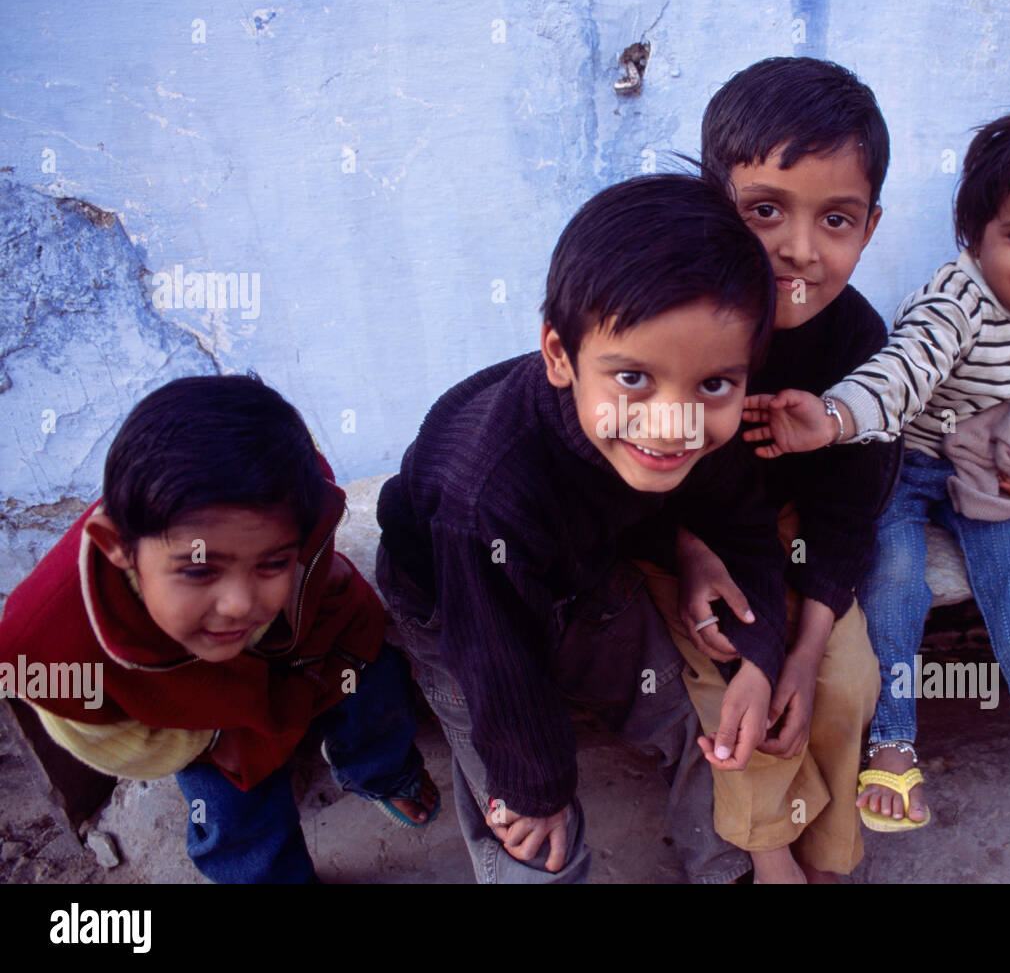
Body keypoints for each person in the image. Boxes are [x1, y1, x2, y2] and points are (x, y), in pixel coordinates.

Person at [743, 106, 1010, 831]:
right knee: (894, 578)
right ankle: (892, 743)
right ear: (975, 235)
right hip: (904, 458)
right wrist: (835, 416)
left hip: (987, 470)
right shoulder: (956, 302)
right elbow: (903, 372)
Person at [375, 173, 789, 883]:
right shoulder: (485, 494)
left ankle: (729, 871)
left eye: (714, 384)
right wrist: (538, 788)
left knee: (701, 721)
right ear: (560, 356)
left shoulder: (691, 427)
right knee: (528, 821)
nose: (672, 423)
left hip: (591, 569)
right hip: (456, 601)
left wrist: (760, 655)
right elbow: (495, 660)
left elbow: (745, 523)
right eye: (632, 379)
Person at [0, 374, 439, 882]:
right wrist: (210, 740)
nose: (239, 605)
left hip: (305, 647)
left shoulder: (301, 495)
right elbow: (114, 742)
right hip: (197, 720)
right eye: (200, 570)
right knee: (235, 814)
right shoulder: (45, 648)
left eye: (271, 563)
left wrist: (307, 594)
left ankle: (381, 772)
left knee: (372, 681)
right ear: (117, 546)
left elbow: (315, 568)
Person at [638, 56, 900, 883]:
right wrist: (684, 547)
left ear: (870, 227)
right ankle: (770, 850)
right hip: (682, 531)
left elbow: (851, 509)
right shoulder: (673, 319)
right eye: (764, 210)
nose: (799, 250)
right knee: (727, 672)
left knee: (848, 677)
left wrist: (805, 648)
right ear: (713, 204)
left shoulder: (861, 345)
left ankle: (830, 854)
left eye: (837, 219)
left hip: (793, 534)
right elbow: (623, 462)